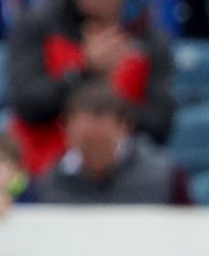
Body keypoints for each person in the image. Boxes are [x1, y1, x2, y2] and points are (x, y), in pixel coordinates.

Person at [6, 0, 176, 175]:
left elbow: (161, 125)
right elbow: (27, 104)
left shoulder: (150, 40)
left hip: (125, 179)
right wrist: (84, 68)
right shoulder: (38, 26)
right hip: (42, 172)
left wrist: (107, 118)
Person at [37, 84, 181, 206]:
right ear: (67, 130)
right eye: (86, 142)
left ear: (124, 128)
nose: (94, 152)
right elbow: (17, 189)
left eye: (102, 143)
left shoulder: (166, 178)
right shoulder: (48, 183)